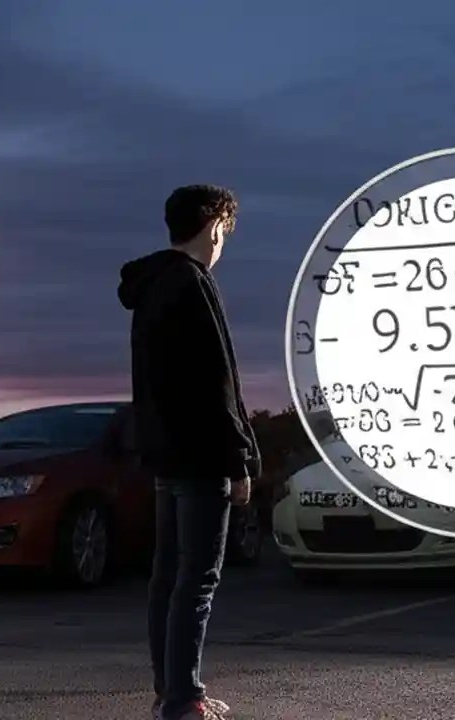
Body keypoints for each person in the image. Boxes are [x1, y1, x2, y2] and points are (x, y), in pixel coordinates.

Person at [117, 184, 261, 720]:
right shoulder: (194, 283)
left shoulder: (152, 285)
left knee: (167, 580)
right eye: (225, 231)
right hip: (202, 457)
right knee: (197, 580)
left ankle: (171, 692)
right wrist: (239, 460)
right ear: (214, 226)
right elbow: (216, 381)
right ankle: (183, 700)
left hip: (165, 453)